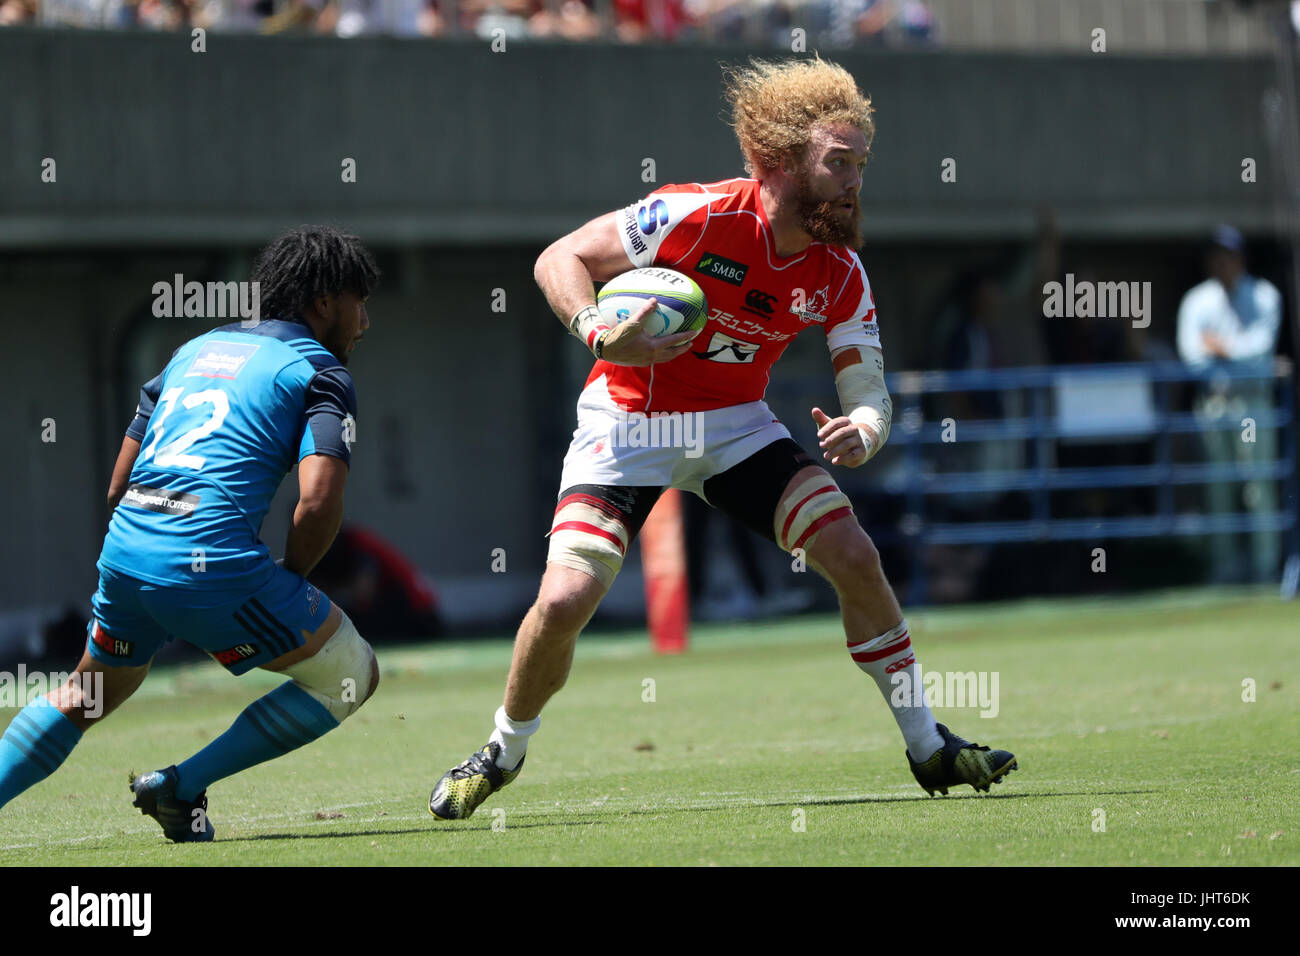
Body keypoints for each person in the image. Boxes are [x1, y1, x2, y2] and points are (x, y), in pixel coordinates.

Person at [428, 57, 1016, 820]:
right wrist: (597, 329)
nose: (854, 183)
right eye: (839, 163)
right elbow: (559, 257)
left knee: (854, 555)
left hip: (736, 427)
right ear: (780, 161)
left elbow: (866, 387)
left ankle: (926, 744)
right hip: (627, 422)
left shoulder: (841, 272)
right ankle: (501, 751)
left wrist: (865, 428)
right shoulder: (693, 216)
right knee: (567, 595)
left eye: (862, 165)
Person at [0, 226, 381, 842]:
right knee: (352, 676)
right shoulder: (320, 371)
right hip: (214, 563)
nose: (365, 320)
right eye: (359, 302)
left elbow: (118, 487)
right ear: (323, 304)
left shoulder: (193, 350)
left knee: (86, 694)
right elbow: (317, 500)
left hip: (128, 548)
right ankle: (179, 784)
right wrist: (291, 580)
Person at [1176, 224, 1283, 583]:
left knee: (1258, 485)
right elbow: (1192, 356)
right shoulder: (1197, 300)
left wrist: (1221, 347)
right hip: (1214, 404)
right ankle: (1225, 570)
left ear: (1241, 258)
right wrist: (1239, 353)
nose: (1221, 262)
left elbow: (1260, 351)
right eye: (1216, 255)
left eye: (1228, 255)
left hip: (1251, 406)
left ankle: (1266, 570)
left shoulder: (1264, 295)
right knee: (1218, 489)